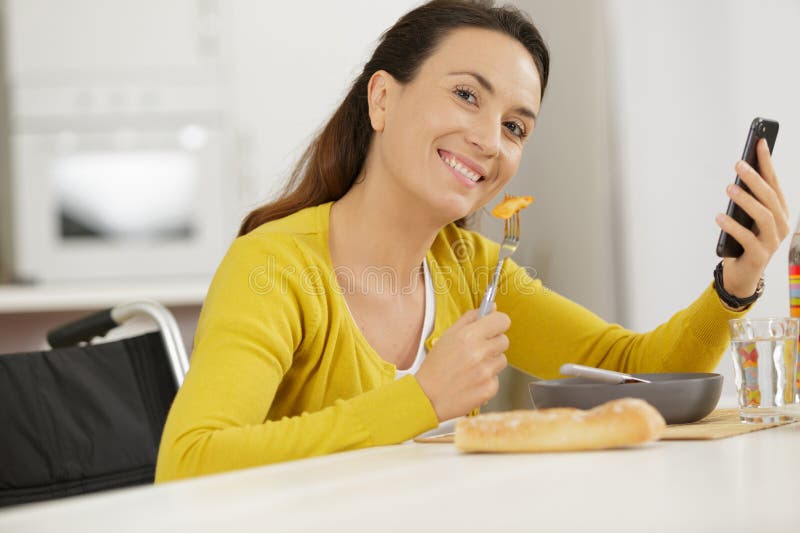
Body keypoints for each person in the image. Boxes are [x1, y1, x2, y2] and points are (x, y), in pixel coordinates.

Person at [155, 0, 789, 482]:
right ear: (382, 98)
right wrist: (422, 398)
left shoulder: (474, 272)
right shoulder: (276, 266)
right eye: (465, 95)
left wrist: (734, 286)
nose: (490, 140)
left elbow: (635, 374)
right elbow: (188, 462)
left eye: (515, 127)